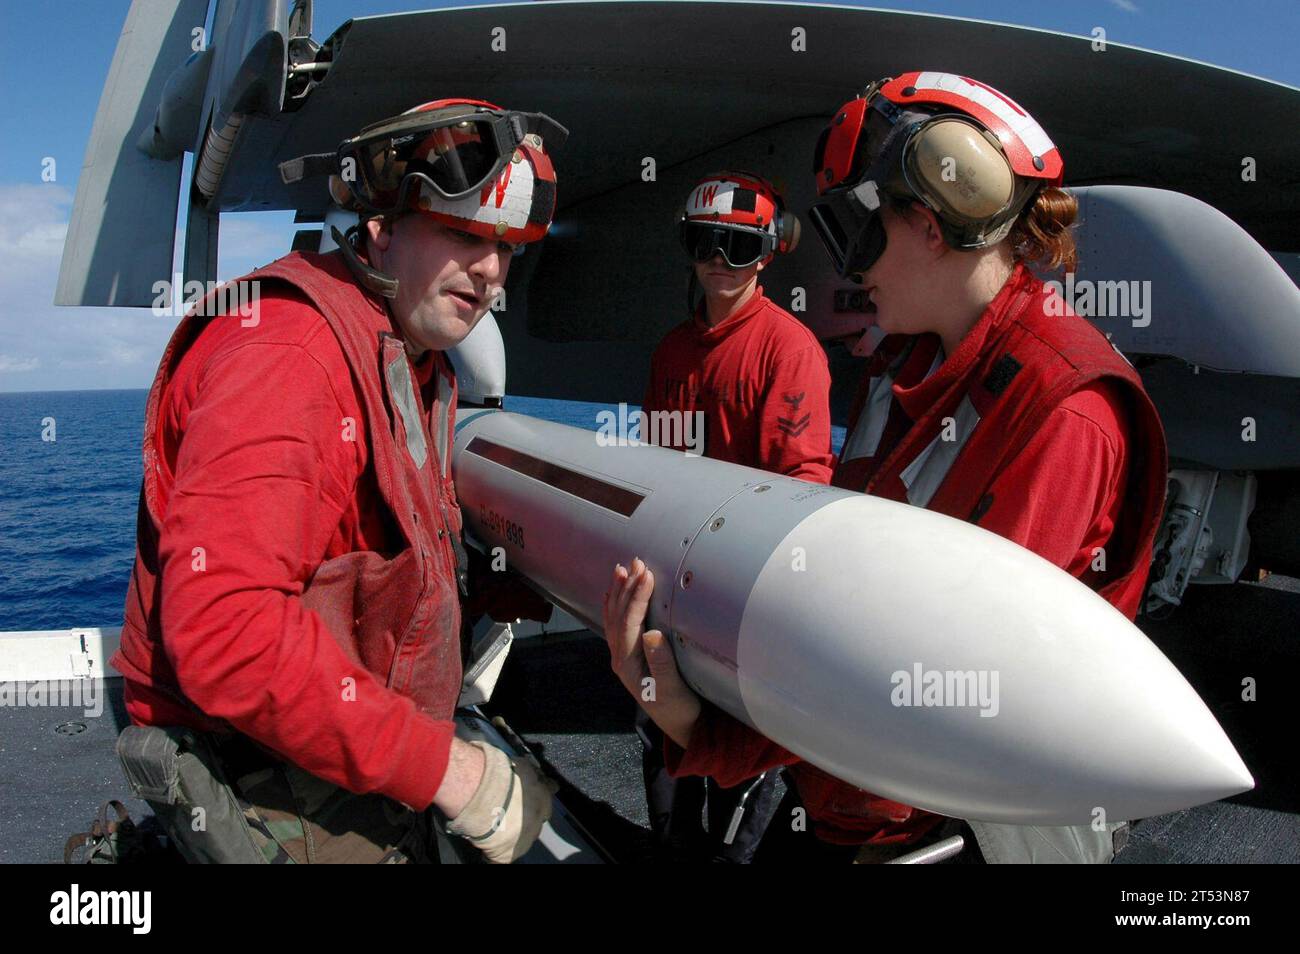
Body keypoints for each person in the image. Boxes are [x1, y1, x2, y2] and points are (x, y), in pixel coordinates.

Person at [604, 72, 1168, 863]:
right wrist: (699, 724)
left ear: (931, 223)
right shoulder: (900, 368)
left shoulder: (1062, 412)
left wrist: (713, 734)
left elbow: (932, 688)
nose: (848, 267)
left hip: (929, 834)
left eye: (857, 230)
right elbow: (844, 612)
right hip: (839, 794)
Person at [112, 98, 567, 864]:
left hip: (327, 752)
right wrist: (453, 775)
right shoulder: (292, 355)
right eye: (463, 233)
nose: (491, 271)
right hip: (260, 770)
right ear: (381, 225)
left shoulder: (408, 353)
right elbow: (227, 631)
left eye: (508, 248)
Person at [637, 171, 835, 861]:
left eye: (738, 247)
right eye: (705, 244)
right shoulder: (671, 352)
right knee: (668, 790)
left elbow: (800, 492)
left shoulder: (789, 351)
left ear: (768, 253)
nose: (719, 262)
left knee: (738, 806)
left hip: (742, 608)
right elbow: (656, 472)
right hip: (675, 596)